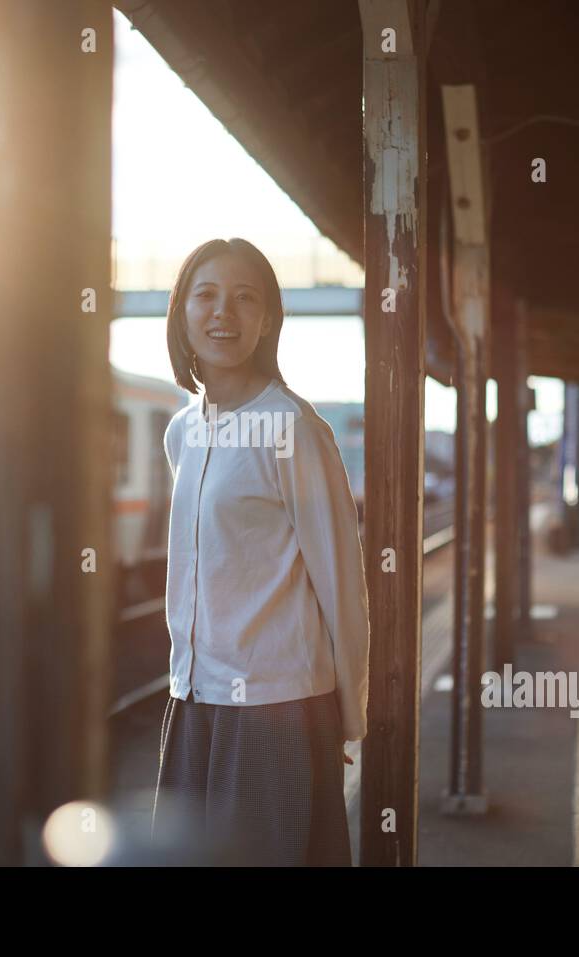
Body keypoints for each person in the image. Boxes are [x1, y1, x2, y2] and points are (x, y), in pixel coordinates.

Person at [149, 237, 370, 866]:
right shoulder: (182, 432)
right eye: (207, 296)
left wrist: (347, 717)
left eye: (246, 298)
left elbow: (341, 585)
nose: (225, 313)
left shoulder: (296, 430)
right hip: (193, 705)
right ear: (182, 315)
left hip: (277, 708)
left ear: (269, 319)